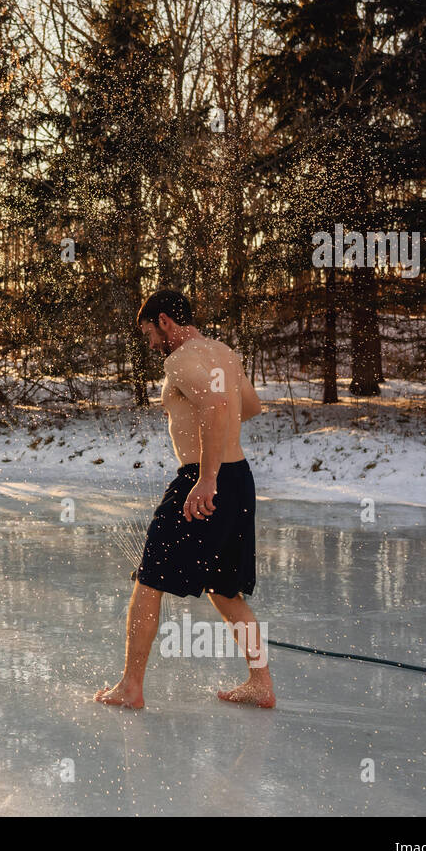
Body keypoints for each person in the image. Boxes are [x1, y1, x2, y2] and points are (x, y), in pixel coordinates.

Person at [95, 289, 275, 709]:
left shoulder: (180, 359)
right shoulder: (223, 352)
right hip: (238, 478)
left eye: (149, 333)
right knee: (225, 589)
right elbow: (247, 406)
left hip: (203, 482)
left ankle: (131, 687)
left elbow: (215, 407)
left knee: (149, 580)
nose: (151, 344)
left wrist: (206, 477)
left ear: (164, 321)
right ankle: (261, 683)